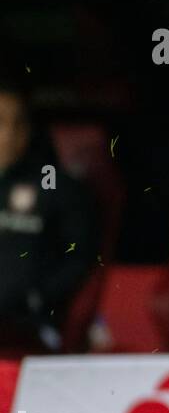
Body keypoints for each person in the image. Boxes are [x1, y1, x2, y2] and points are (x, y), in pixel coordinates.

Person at [0, 76, 98, 352]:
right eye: (0, 122)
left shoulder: (55, 187)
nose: (9, 134)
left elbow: (79, 256)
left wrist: (35, 297)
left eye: (18, 124)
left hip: (25, 325)